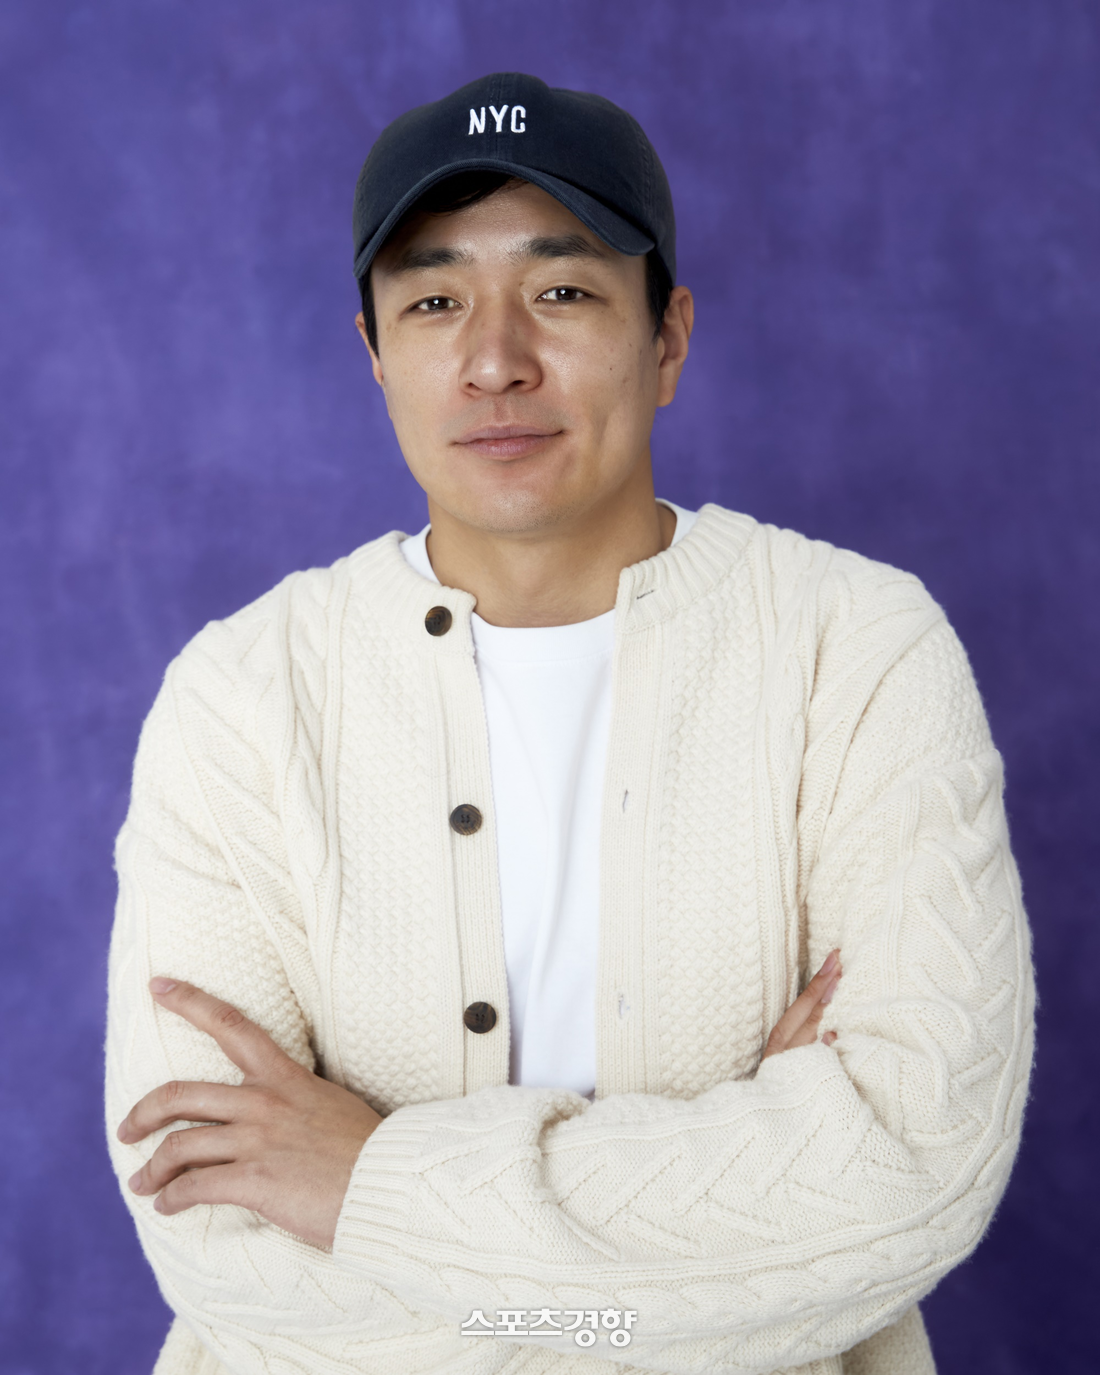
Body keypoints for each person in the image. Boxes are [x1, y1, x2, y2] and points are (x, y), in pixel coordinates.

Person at [105, 72, 1035, 1375]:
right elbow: (225, 1250)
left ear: (668, 339)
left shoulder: (857, 649)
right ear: (374, 354)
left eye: (563, 291)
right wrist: (709, 1272)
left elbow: (910, 1169)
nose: (495, 359)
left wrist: (367, 1180)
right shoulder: (242, 696)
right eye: (434, 302)